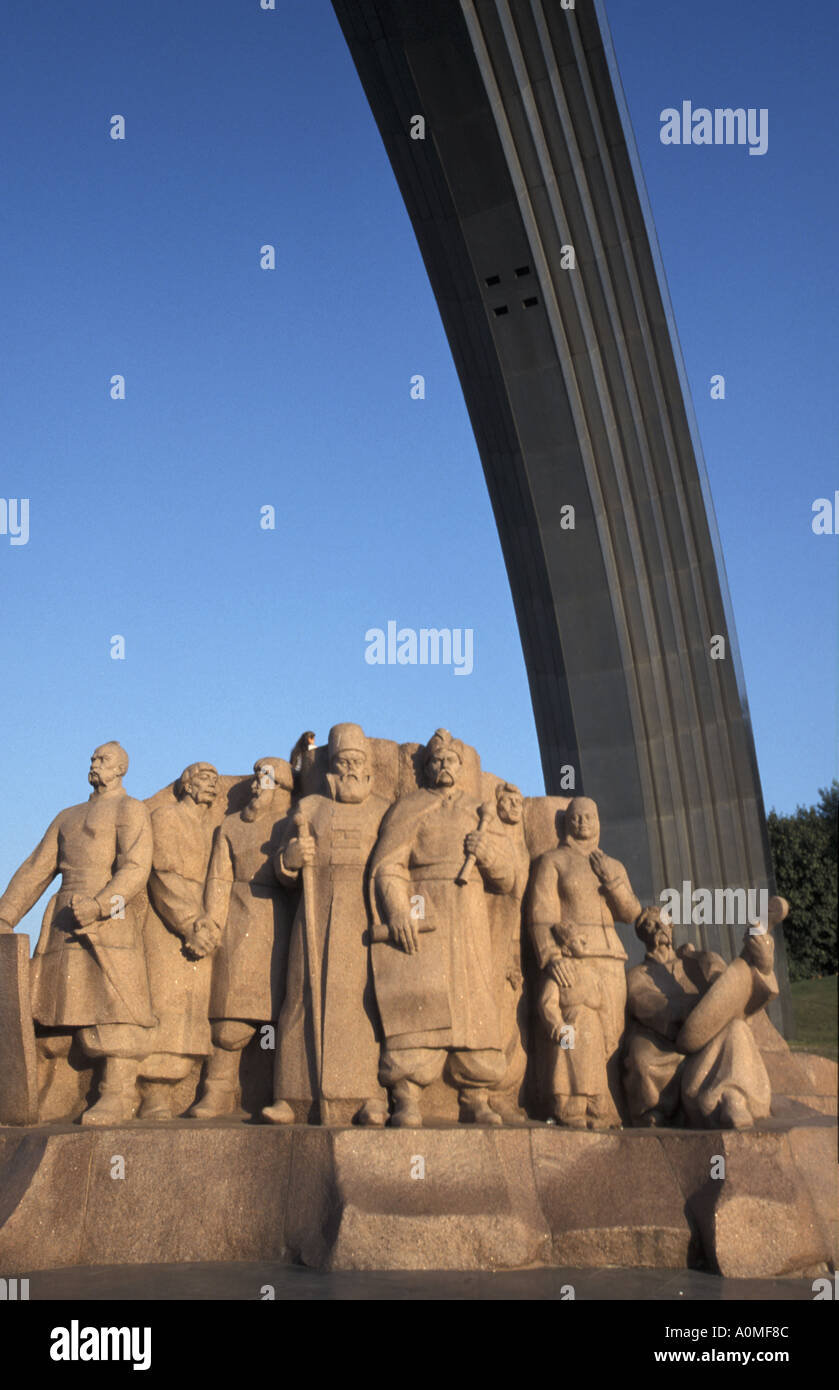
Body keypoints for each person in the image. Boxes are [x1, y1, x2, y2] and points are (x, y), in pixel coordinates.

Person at [0, 742, 155, 1125]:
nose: (94, 764)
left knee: (115, 1007)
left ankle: (117, 1094)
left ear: (120, 769)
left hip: (109, 914)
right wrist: (5, 915)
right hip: (63, 917)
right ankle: (58, 1091)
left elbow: (136, 867)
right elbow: (37, 868)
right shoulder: (67, 816)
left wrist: (103, 904)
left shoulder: (130, 809)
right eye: (92, 759)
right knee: (53, 1007)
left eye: (102, 760)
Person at [370, 729, 515, 1128]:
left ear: (462, 767)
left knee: (475, 1004)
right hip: (425, 907)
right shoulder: (410, 807)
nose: (443, 767)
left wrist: (487, 854)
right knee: (418, 1002)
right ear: (426, 768)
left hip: (469, 914)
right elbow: (390, 865)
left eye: (450, 760)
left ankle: (476, 1096)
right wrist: (398, 910)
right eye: (435, 761)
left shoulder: (479, 812)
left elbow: (507, 880)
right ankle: (407, 1095)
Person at [263, 724, 389, 1126]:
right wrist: (293, 859)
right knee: (301, 994)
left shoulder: (384, 810)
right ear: (331, 766)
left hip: (363, 913)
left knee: (362, 1002)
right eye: (342, 762)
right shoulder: (309, 809)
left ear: (368, 767)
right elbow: (282, 868)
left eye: (357, 762)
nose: (349, 770)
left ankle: (370, 1096)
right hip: (314, 907)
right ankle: (291, 1095)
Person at [189, 758, 293, 1118]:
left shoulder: (291, 824)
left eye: (265, 779)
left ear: (281, 788)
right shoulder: (230, 826)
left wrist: (290, 863)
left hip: (279, 921)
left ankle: (265, 1091)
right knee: (230, 1016)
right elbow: (218, 879)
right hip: (237, 918)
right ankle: (217, 1089)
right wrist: (211, 924)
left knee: (274, 1016)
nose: (255, 785)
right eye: (254, 777)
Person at [528, 796, 639, 1126]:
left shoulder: (613, 865)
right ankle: (576, 1103)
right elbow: (540, 914)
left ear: (598, 822)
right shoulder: (553, 861)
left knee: (611, 1037)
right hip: (576, 959)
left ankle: (609, 1104)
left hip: (611, 959)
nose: (582, 823)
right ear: (565, 823)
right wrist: (550, 955)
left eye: (589, 817)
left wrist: (612, 881)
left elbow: (631, 913)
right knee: (580, 1033)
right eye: (575, 817)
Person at [625, 907, 779, 1129]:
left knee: (736, 1029)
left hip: (712, 1038)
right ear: (642, 935)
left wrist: (763, 966)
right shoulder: (636, 976)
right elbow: (650, 1007)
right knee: (642, 1058)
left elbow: (733, 991)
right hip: (667, 1043)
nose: (659, 927)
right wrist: (697, 1010)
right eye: (651, 924)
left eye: (664, 922)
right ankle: (658, 1111)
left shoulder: (700, 960)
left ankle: (732, 1100)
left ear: (671, 927)